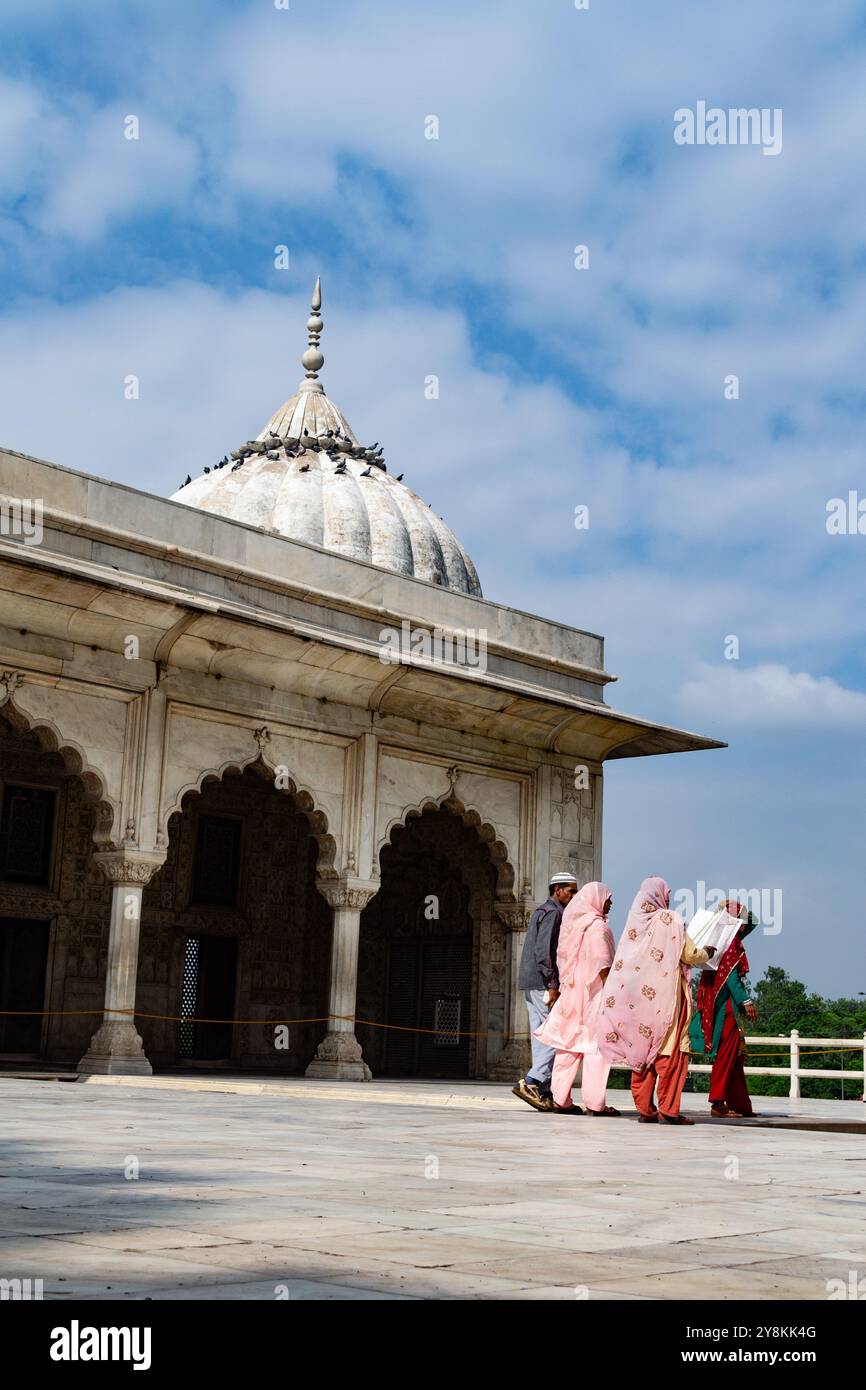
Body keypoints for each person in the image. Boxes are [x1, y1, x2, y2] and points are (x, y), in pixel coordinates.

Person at [598, 876, 713, 1125]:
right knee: (670, 1051)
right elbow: (690, 954)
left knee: (642, 1053)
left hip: (637, 1002)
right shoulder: (669, 919)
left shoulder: (634, 920)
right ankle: (669, 1110)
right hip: (666, 999)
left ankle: (645, 1109)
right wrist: (709, 952)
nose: (668, 898)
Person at [535, 881, 620, 1116]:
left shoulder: (574, 926)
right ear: (596, 900)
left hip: (572, 993)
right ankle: (595, 1104)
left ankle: (561, 1100)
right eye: (607, 899)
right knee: (596, 1048)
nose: (611, 903)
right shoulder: (597, 928)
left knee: (568, 1045)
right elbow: (603, 965)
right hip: (593, 995)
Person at [512, 872, 578, 1111]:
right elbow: (544, 952)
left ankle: (544, 1090)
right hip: (542, 983)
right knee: (553, 1035)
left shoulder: (543, 910)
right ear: (557, 889)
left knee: (542, 1035)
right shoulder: (554, 913)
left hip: (533, 982)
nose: (574, 896)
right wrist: (552, 984)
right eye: (571, 891)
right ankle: (532, 1081)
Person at [689, 899, 759, 1118]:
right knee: (728, 1055)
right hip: (726, 1008)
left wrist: (724, 911)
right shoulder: (730, 944)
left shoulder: (723, 939)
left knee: (734, 1056)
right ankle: (718, 1102)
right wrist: (746, 1002)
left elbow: (754, 923)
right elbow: (731, 979)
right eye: (742, 920)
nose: (746, 925)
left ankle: (740, 1104)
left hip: (722, 1005)